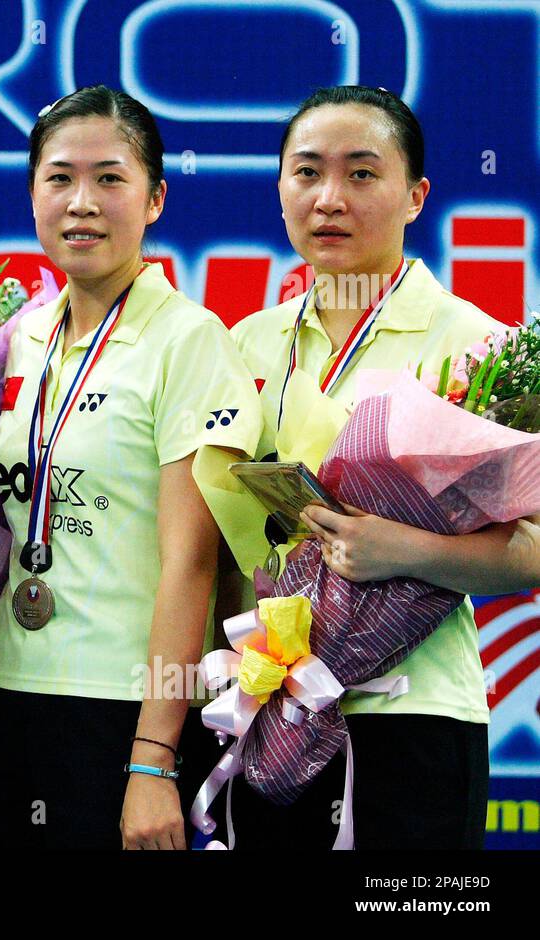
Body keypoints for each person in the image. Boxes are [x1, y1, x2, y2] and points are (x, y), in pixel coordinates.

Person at [0, 86, 261, 849]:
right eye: (59, 178)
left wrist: (155, 761)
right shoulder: (18, 341)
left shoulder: (190, 342)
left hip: (124, 713)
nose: (82, 202)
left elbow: (191, 564)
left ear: (155, 198)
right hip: (12, 694)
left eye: (110, 178)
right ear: (32, 195)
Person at [226, 85, 522, 849]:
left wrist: (408, 551)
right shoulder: (247, 344)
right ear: (280, 188)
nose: (330, 198)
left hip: (411, 718)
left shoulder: (478, 346)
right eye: (307, 172)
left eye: (362, 173)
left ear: (416, 195)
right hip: (274, 709)